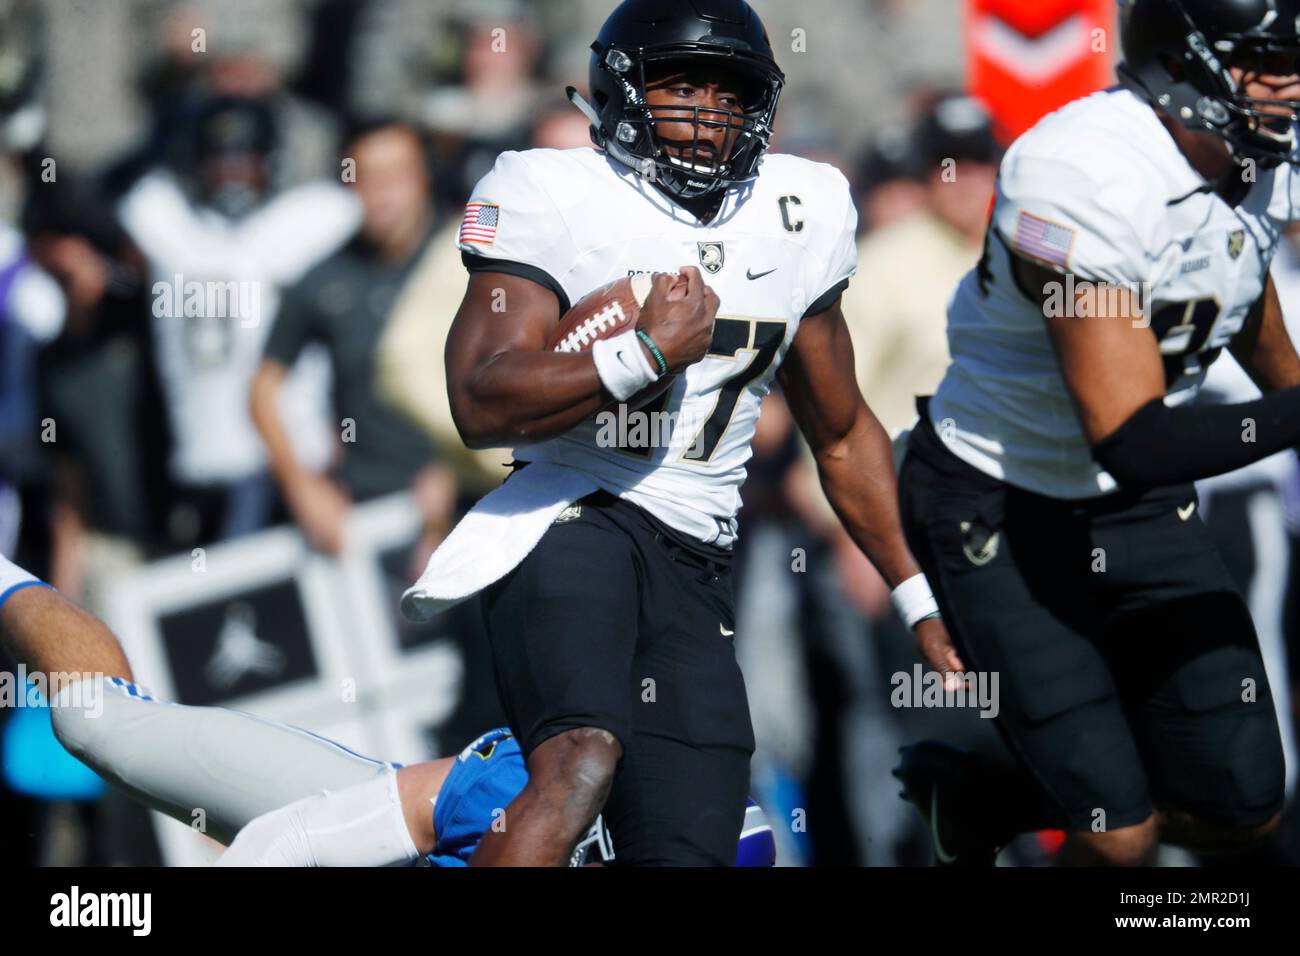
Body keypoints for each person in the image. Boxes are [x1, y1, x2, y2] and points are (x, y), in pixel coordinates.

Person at [404, 0, 957, 866]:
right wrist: (640, 355)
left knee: (691, 846)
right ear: (623, 91)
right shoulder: (551, 190)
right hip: (571, 515)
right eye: (681, 84)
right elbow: (479, 397)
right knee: (578, 763)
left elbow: (843, 431)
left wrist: (917, 594)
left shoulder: (800, 208)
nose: (707, 110)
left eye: (728, 89)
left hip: (698, 557)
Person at [895, 0, 1300, 866]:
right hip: (1004, 502)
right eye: (1266, 61)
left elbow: (1237, 268)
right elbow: (1133, 438)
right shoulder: (1077, 174)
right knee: (1121, 841)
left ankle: (996, 795)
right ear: (1183, 64)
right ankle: (1045, 800)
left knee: (1248, 806)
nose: (1290, 82)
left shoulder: (1254, 159)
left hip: (1133, 507)